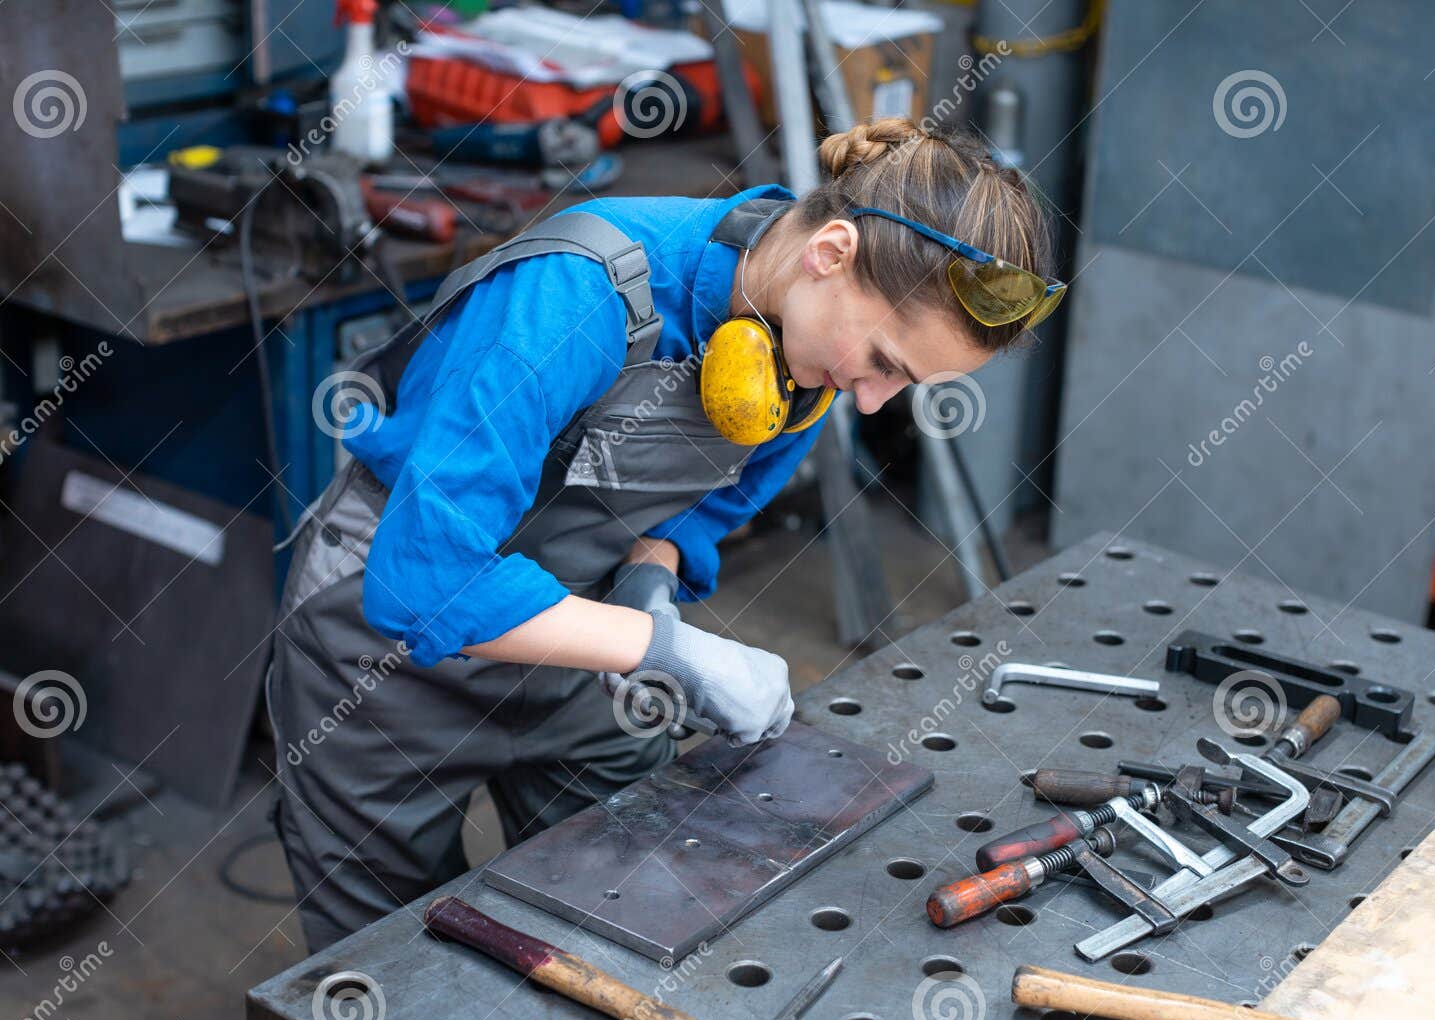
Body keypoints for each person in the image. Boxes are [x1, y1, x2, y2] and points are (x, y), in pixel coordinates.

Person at [266, 117, 1062, 954]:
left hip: (578, 652)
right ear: (830, 253)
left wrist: (648, 585)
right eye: (885, 361)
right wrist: (666, 648)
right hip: (384, 669)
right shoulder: (574, 296)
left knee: (633, 911)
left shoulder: (799, 359)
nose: (871, 400)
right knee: (389, 962)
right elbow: (426, 578)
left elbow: (693, 508)